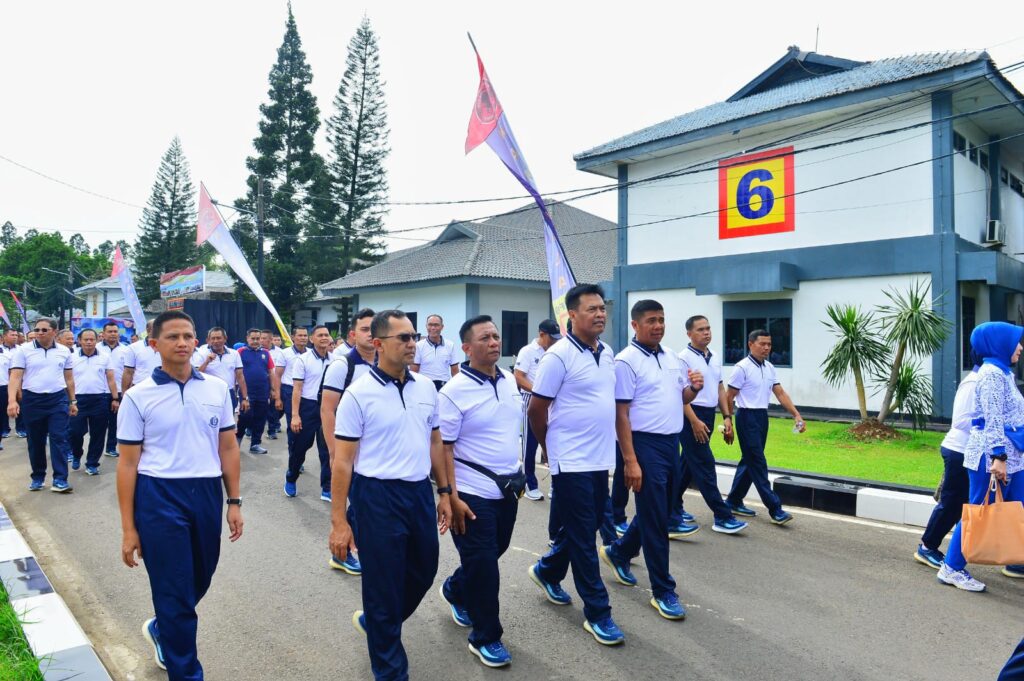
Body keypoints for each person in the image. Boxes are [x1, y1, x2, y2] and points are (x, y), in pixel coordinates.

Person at [116, 310, 243, 679]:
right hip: (158, 496)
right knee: (174, 591)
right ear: (154, 344)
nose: (183, 343)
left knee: (199, 579)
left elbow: (229, 448)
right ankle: (186, 672)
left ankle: (163, 628)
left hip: (205, 493)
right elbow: (127, 466)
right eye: (173, 337)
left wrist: (234, 501)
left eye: (189, 335)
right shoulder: (138, 397)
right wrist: (128, 527)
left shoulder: (216, 389)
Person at [330, 309, 452, 681]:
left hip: (417, 492)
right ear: (380, 344)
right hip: (376, 496)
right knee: (382, 584)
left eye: (414, 336)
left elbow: (435, 441)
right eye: (404, 338)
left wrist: (444, 491)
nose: (412, 343)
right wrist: (339, 523)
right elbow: (342, 463)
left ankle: (380, 622)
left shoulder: (426, 387)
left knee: (425, 567)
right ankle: (390, 669)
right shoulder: (358, 394)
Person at [526, 284, 625, 646]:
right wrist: (548, 447)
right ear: (572, 316)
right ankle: (598, 612)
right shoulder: (559, 356)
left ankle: (547, 570)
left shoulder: (608, 352)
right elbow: (536, 408)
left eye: (602, 308)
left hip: (600, 457)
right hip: (570, 459)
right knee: (586, 536)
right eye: (591, 309)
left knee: (587, 522)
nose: (600, 314)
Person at [598, 300, 702, 621]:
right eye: (651, 321)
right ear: (635, 325)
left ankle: (619, 551)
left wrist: (694, 390)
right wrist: (630, 460)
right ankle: (662, 590)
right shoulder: (626, 362)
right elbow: (621, 414)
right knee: (657, 520)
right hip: (644, 445)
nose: (657, 326)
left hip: (672, 443)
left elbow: (680, 396)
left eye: (661, 320)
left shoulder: (671, 357)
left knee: (657, 509)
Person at [436, 315, 522, 667]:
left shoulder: (510, 380)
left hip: (508, 489)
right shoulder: (454, 392)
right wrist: (449, 495)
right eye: (485, 338)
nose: (494, 342)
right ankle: (486, 636)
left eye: (496, 336)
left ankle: (455, 590)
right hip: (471, 492)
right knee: (485, 564)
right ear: (468, 348)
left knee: (492, 553)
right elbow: (444, 448)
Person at [939, 322, 1024, 592]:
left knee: (1016, 508)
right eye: (1015, 342)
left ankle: (1015, 559)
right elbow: (992, 420)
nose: (1020, 348)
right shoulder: (991, 376)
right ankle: (951, 568)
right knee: (978, 512)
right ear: (999, 344)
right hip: (992, 458)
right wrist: (998, 456)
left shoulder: (1004, 373)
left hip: (1013, 457)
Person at [672, 315, 748, 534]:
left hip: (708, 414)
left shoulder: (714, 356)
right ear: (689, 334)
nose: (706, 332)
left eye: (708, 328)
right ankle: (722, 516)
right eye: (700, 329)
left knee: (687, 464)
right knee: (705, 464)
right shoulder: (682, 359)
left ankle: (672, 507)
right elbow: (679, 395)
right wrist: (694, 421)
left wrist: (727, 417)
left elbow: (720, 388)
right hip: (690, 415)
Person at [724, 329, 803, 525]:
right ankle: (775, 508)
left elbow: (780, 393)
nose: (767, 348)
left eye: (769, 344)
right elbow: (728, 396)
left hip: (761, 417)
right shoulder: (741, 368)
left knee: (749, 460)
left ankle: (733, 500)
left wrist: (796, 414)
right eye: (762, 344)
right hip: (746, 417)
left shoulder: (769, 367)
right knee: (758, 462)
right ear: (751, 344)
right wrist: (728, 422)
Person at [320, 308, 375, 575]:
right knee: (356, 502)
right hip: (348, 446)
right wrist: (334, 451)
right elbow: (328, 409)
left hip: (375, 448)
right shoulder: (343, 365)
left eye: (375, 328)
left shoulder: (386, 363)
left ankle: (354, 547)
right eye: (365, 329)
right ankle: (341, 552)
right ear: (353, 334)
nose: (371, 333)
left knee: (367, 502)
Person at [914, 354, 978, 569]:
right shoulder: (973, 382)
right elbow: (960, 420)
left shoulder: (996, 377)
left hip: (975, 452)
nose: (1019, 348)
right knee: (952, 503)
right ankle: (927, 546)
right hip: (960, 450)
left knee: (965, 504)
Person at [6, 317, 77, 492]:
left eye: (44, 330)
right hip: (33, 400)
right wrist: (12, 400)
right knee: (35, 441)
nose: (39, 333)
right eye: (37, 330)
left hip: (57, 400)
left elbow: (69, 378)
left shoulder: (64, 351)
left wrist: (72, 400)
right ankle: (38, 477)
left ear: (54, 331)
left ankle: (60, 479)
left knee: (58, 438)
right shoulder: (23, 351)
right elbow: (15, 377)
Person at [513, 319, 561, 501]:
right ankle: (529, 484)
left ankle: (556, 484)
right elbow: (518, 377)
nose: (555, 341)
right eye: (552, 338)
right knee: (530, 444)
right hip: (531, 400)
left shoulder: (557, 350)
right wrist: (539, 391)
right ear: (541, 334)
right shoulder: (527, 351)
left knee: (552, 442)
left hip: (551, 402)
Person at [285, 325, 332, 500]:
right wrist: (295, 415)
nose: (324, 338)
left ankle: (327, 486)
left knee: (327, 449)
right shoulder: (303, 360)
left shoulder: (336, 360)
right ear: (312, 339)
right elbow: (297, 389)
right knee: (300, 447)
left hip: (328, 408)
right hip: (308, 407)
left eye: (326, 335)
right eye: (320, 335)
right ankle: (291, 477)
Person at [68, 329, 118, 475]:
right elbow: (68, 379)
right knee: (75, 432)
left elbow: (111, 379)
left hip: (99, 399)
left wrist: (115, 398)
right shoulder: (71, 357)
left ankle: (92, 463)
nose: (89, 342)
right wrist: (70, 400)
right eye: (86, 339)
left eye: (92, 339)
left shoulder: (105, 357)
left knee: (98, 434)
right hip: (78, 400)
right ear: (79, 340)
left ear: (97, 340)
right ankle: (77, 453)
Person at [236, 329, 280, 455]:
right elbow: (237, 372)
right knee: (246, 416)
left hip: (263, 392)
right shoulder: (240, 352)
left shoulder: (265, 353)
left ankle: (255, 444)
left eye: (258, 338)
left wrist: (273, 390)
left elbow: (271, 372)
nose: (255, 341)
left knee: (260, 418)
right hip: (247, 392)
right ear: (247, 338)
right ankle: (238, 439)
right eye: (253, 338)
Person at [193, 328, 247, 413]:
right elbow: (196, 374)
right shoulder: (201, 353)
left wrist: (244, 398)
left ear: (225, 339)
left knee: (228, 422)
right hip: (209, 393)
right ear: (208, 340)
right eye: (213, 338)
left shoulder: (234, 354)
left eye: (218, 338)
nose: (215, 341)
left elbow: (240, 376)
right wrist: (206, 362)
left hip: (228, 392)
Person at [276, 326, 308, 449]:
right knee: (293, 424)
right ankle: (293, 457)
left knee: (305, 425)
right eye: (300, 335)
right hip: (289, 391)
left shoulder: (311, 353)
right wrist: (278, 397)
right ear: (293, 337)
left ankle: (299, 455)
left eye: (305, 335)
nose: (303, 338)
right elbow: (277, 375)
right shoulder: (285, 353)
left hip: (306, 392)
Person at [98, 322, 127, 457]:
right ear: (103, 334)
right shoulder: (96, 349)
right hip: (100, 391)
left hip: (119, 390)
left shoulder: (126, 350)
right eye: (110, 331)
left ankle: (111, 447)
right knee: (100, 423)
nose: (113, 334)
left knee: (115, 422)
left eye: (115, 331)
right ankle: (96, 449)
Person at [411, 314, 460, 390]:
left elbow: (455, 371)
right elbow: (414, 371)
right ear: (426, 326)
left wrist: (457, 388)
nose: (433, 328)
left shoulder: (450, 345)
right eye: (430, 325)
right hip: (424, 387)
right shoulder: (418, 346)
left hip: (444, 387)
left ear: (442, 327)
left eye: (436, 325)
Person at [122, 321, 160, 393]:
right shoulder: (133, 347)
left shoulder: (167, 346)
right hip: (139, 389)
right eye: (156, 328)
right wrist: (124, 393)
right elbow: (128, 372)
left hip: (161, 389)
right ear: (148, 330)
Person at [262, 330, 284, 440]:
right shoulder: (257, 351)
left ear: (271, 340)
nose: (261, 340)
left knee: (273, 408)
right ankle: (250, 428)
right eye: (260, 338)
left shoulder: (280, 352)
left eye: (264, 338)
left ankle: (272, 429)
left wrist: (275, 387)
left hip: (274, 382)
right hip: (260, 383)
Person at [0, 328, 20, 442]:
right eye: (12, 335)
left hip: (4, 386)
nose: (15, 337)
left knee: (3, 411)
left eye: (16, 335)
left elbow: (12, 372)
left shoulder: (7, 354)